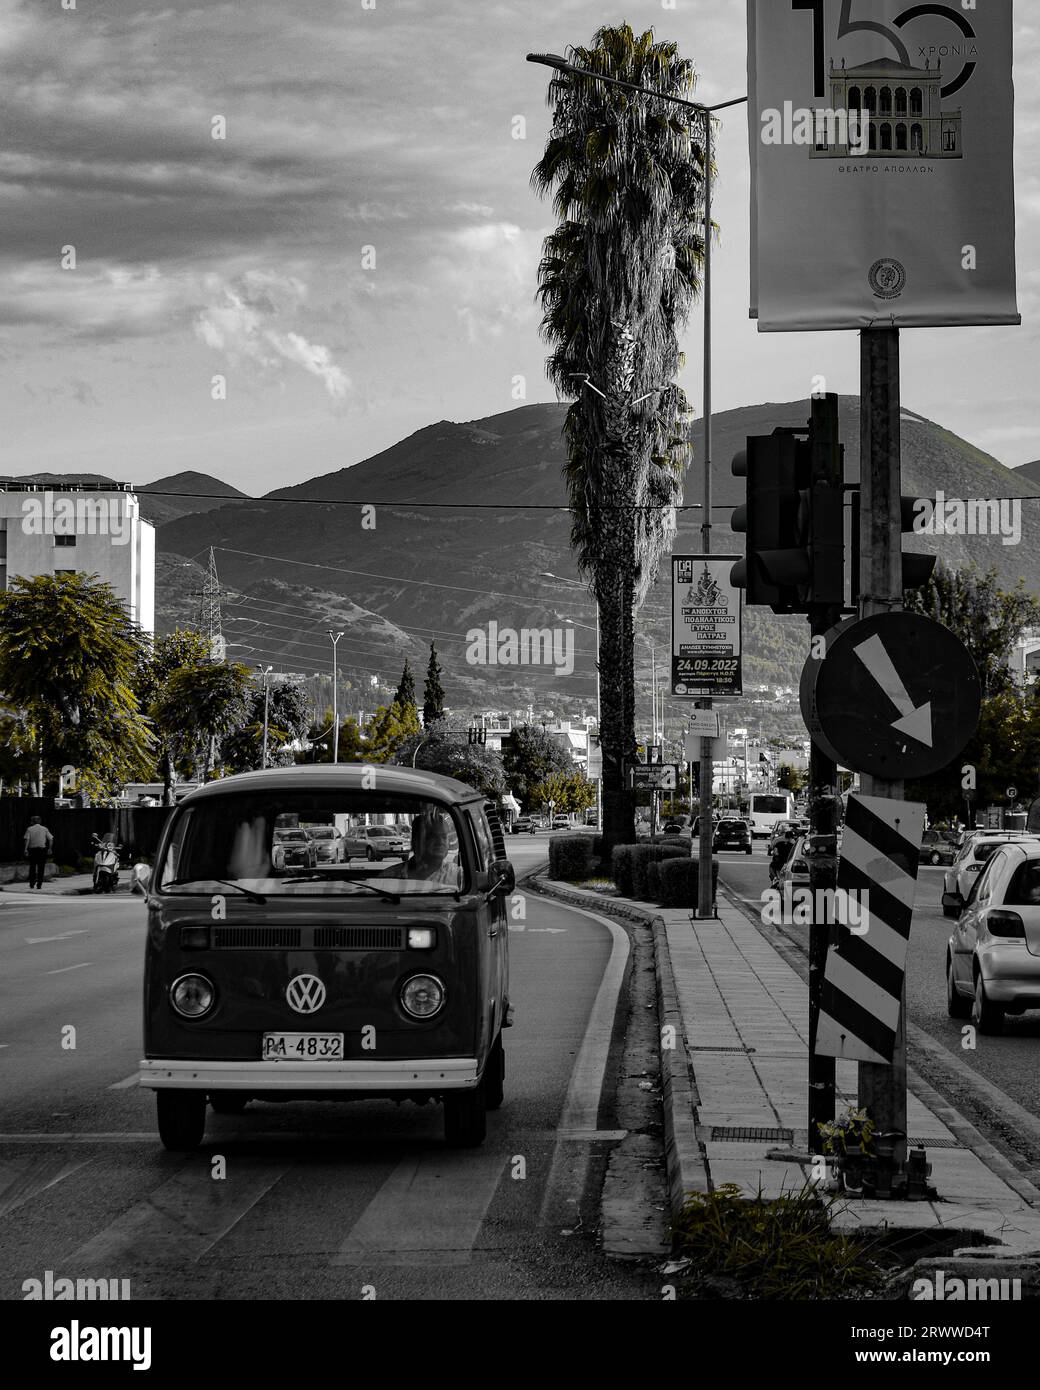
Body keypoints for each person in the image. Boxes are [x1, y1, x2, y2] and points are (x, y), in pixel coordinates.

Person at [404, 810, 460, 886]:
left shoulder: (456, 875)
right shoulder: (389, 876)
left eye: (444, 836)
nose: (440, 842)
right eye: (432, 836)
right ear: (415, 841)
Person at [24, 815, 53, 890]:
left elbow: (27, 840)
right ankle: (39, 885)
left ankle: (32, 884)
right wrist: (49, 848)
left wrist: (25, 849)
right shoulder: (44, 829)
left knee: (32, 867)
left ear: (32, 822)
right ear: (39, 821)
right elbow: (51, 839)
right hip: (42, 850)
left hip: (32, 850)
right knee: (41, 868)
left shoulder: (29, 829)